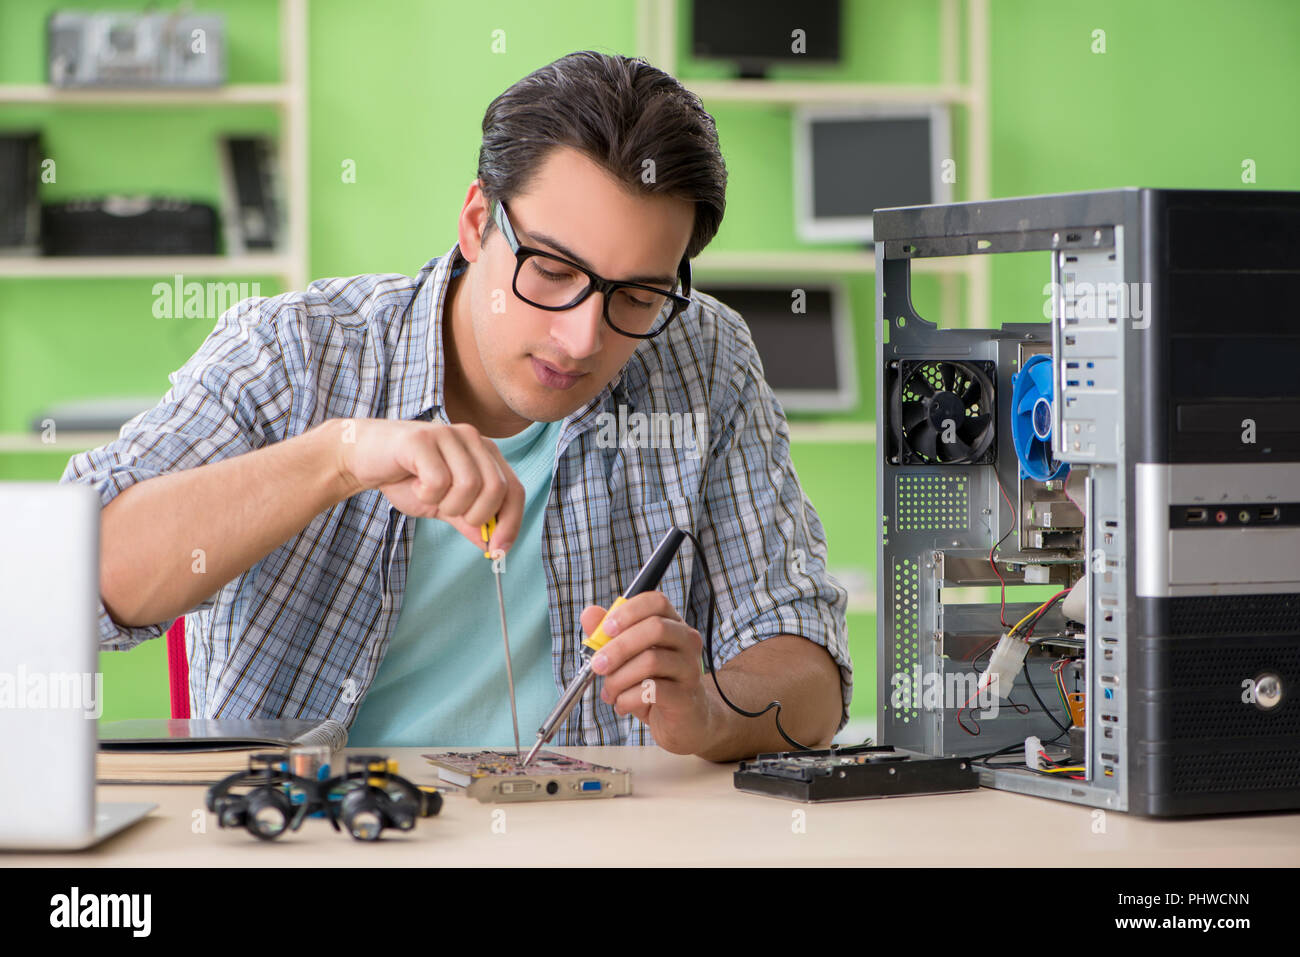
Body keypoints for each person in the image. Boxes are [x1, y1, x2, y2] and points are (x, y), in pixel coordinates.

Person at [62, 51, 850, 761]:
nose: (580, 338)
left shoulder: (701, 355)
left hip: (602, 841)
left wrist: (711, 711)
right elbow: (71, 580)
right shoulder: (297, 352)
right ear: (478, 222)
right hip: (326, 837)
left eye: (637, 294)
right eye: (550, 269)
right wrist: (337, 458)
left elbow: (810, 665)